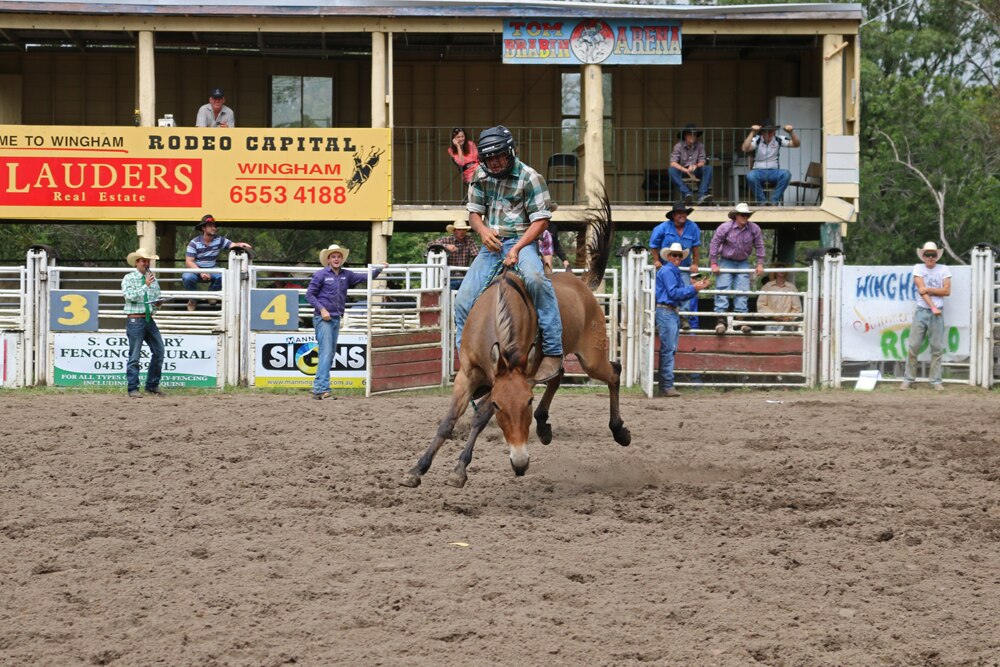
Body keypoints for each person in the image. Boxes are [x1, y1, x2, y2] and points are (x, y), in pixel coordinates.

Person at [455, 125, 563, 383]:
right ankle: (467, 359)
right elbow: (474, 213)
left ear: (510, 152)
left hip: (522, 241)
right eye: (489, 158)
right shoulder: (479, 175)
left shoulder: (530, 177)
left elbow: (541, 221)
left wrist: (516, 248)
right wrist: (481, 231)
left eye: (499, 157)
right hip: (491, 244)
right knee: (462, 300)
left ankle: (552, 350)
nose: (494, 163)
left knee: (536, 280)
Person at [305, 244, 387, 400]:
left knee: (328, 353)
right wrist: (322, 310)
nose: (336, 259)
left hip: (335, 317)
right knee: (327, 352)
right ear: (328, 260)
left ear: (341, 259)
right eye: (333, 256)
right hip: (323, 318)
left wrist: (379, 269)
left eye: (339, 256)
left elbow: (366, 277)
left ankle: (318, 388)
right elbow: (310, 295)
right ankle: (322, 389)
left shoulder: (346, 275)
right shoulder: (320, 275)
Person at [656, 242, 711, 397]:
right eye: (674, 255)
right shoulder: (668, 271)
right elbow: (674, 294)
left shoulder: (670, 271)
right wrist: (694, 288)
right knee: (669, 349)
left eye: (679, 255)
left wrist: (695, 288)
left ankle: (665, 386)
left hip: (669, 311)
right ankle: (667, 386)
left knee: (668, 349)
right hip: (667, 311)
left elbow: (678, 293)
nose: (677, 258)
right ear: (668, 256)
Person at [900, 242, 952, 391]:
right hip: (923, 311)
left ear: (937, 256)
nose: (930, 257)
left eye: (933, 255)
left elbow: (947, 291)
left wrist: (929, 289)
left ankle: (935, 381)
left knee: (936, 348)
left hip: (936, 312)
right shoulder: (918, 268)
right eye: (927, 255)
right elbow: (922, 291)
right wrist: (933, 305)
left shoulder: (944, 269)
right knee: (913, 346)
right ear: (923, 256)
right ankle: (909, 379)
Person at [709, 202, 765, 335]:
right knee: (723, 288)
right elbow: (714, 243)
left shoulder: (754, 228)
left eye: (747, 215)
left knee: (743, 289)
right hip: (726, 260)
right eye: (743, 215)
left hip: (743, 261)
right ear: (736, 216)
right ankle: (720, 320)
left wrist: (760, 263)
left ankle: (741, 320)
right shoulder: (725, 227)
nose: (745, 217)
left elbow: (759, 245)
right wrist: (714, 263)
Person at [122, 248, 166, 399]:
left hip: (148, 318)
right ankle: (133, 388)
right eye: (143, 261)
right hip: (135, 319)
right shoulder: (129, 278)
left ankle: (151, 385)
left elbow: (155, 297)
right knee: (134, 355)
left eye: (147, 261)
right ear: (137, 263)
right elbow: (129, 297)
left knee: (159, 351)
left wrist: (158, 303)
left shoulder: (153, 279)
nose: (146, 263)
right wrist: (146, 285)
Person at [183, 214, 252, 311]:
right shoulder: (194, 243)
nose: (214, 228)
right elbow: (189, 262)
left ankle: (212, 294)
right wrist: (201, 272)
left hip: (212, 268)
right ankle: (194, 299)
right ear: (203, 228)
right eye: (210, 226)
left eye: (214, 226)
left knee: (223, 275)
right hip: (197, 269)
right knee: (187, 277)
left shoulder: (219, 240)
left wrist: (241, 244)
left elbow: (233, 245)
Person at [649, 201, 702, 330]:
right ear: (673, 215)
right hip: (665, 267)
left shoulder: (693, 227)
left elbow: (696, 247)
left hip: (683, 266)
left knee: (683, 288)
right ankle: (659, 319)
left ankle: (683, 317)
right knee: (662, 292)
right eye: (679, 213)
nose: (682, 215)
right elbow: (653, 246)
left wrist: (695, 263)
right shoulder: (662, 228)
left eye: (684, 213)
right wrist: (656, 261)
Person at [741, 118, 800, 205]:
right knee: (750, 176)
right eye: (767, 131)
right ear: (762, 132)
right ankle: (762, 202)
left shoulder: (778, 139)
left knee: (786, 174)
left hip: (774, 171)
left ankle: (774, 201)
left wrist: (791, 132)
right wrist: (753, 132)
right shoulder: (757, 139)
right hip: (758, 171)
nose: (770, 134)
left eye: (772, 131)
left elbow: (796, 144)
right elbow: (745, 148)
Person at [426, 220, 479, 290]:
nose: (462, 232)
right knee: (447, 294)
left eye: (464, 229)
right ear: (454, 231)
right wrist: (446, 246)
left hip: (464, 278)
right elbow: (429, 245)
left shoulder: (469, 241)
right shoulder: (447, 240)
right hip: (448, 278)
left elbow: (476, 254)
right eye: (459, 229)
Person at [668, 123, 714, 206]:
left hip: (696, 169)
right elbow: (673, 163)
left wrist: (695, 166)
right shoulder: (678, 146)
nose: (692, 136)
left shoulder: (700, 146)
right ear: (685, 136)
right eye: (690, 134)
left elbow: (702, 162)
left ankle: (702, 195)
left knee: (708, 168)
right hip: (683, 170)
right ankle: (687, 193)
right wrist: (685, 170)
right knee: (671, 171)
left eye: (694, 135)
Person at [757, 265, 802, 332]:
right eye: (779, 268)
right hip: (771, 321)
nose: (781, 270)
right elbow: (761, 305)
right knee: (769, 341)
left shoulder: (791, 287)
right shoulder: (767, 286)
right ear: (775, 271)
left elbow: (797, 307)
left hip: (787, 323)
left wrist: (789, 317)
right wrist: (772, 315)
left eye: (783, 269)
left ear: (786, 272)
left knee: (786, 341)